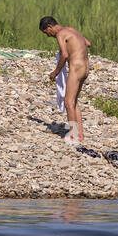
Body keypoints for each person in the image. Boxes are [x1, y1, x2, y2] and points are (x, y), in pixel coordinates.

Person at [41, 16, 92, 144]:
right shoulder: (71, 30)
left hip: (77, 67)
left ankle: (73, 136)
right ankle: (80, 135)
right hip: (86, 68)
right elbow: (88, 43)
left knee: (68, 102)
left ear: (50, 27)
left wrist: (55, 72)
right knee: (74, 101)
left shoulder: (60, 34)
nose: (48, 36)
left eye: (46, 33)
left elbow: (64, 55)